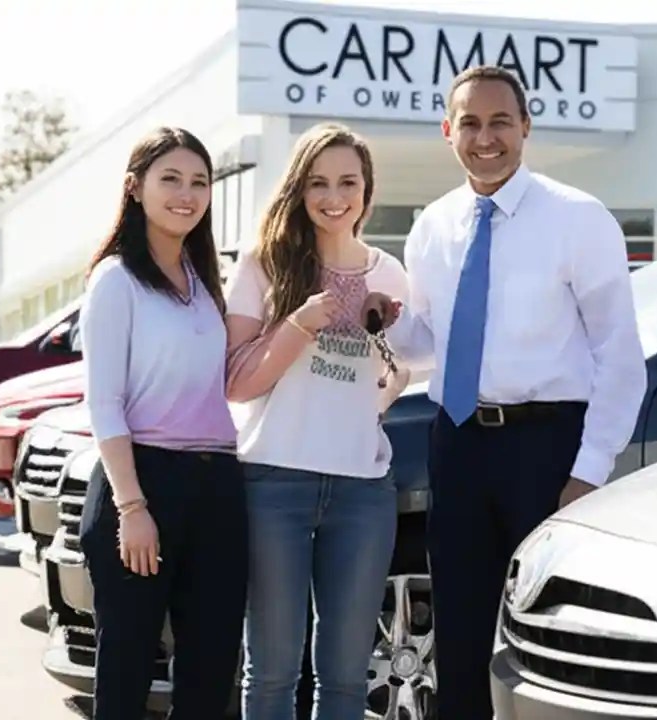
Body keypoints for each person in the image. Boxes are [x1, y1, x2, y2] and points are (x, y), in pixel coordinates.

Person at [384, 65, 648, 719]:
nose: (486, 137)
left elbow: (621, 359)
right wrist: (377, 318)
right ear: (448, 132)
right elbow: (425, 345)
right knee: (464, 637)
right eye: (469, 123)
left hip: (547, 451)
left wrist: (587, 473)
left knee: (554, 636)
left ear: (526, 127)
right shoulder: (433, 227)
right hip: (458, 445)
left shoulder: (578, 219)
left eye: (501, 121)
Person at [223, 122, 416, 720]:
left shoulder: (391, 275)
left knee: (345, 678)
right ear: (298, 190)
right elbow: (235, 381)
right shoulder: (264, 264)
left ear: (367, 190)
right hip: (273, 484)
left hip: (362, 490)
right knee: (273, 671)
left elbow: (376, 389)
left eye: (348, 183)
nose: (335, 197)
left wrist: (393, 386)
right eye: (319, 183)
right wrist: (300, 323)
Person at [77, 126, 247, 720]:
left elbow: (227, 382)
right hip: (143, 485)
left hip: (218, 486)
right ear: (135, 188)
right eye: (170, 178)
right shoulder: (115, 280)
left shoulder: (204, 285)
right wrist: (132, 507)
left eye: (199, 181)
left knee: (211, 670)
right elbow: (104, 404)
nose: (187, 193)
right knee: (125, 672)